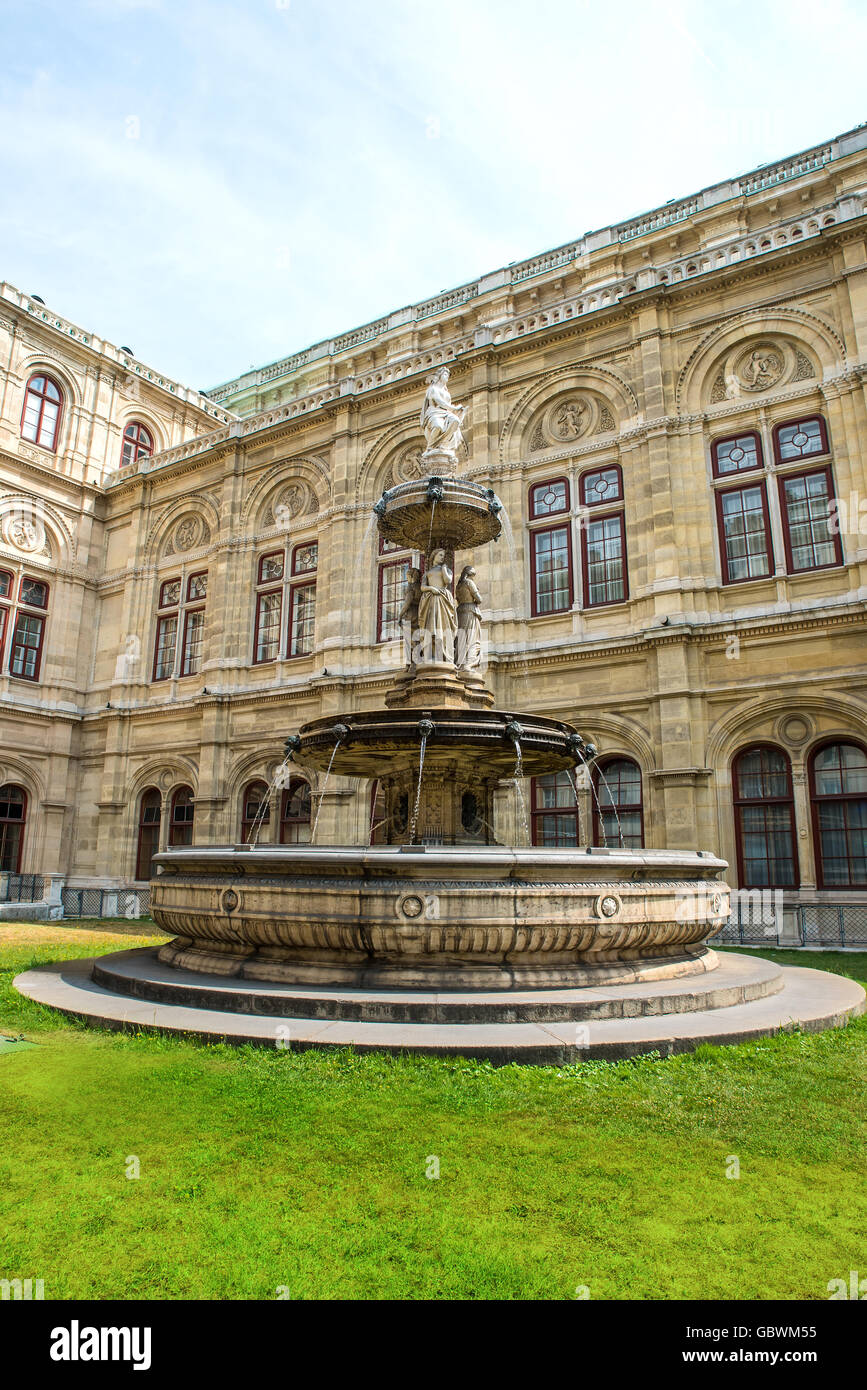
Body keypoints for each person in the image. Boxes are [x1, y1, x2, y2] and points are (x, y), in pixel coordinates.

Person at [417, 549, 457, 664]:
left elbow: (447, 580)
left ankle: (444, 655)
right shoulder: (427, 573)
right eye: (440, 555)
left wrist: (444, 568)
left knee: (443, 627)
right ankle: (431, 654)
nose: (442, 557)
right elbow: (422, 587)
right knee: (431, 627)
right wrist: (431, 588)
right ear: (434, 556)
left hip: (443, 599)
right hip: (431, 600)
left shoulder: (447, 570)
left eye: (444, 556)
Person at [420, 367, 465, 464]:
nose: (447, 377)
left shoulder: (446, 392)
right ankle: (431, 447)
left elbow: (446, 405)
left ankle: (443, 444)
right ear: (439, 376)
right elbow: (439, 402)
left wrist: (458, 411)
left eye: (448, 376)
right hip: (434, 412)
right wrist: (454, 408)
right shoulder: (433, 389)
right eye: (445, 375)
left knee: (456, 421)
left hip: (446, 412)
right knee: (438, 426)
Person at [456, 565, 482, 669]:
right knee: (471, 637)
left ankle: (459, 661)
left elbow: (458, 599)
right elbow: (479, 599)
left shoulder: (458, 586)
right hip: (470, 610)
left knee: (461, 637)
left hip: (460, 611)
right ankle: (467, 663)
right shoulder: (469, 583)